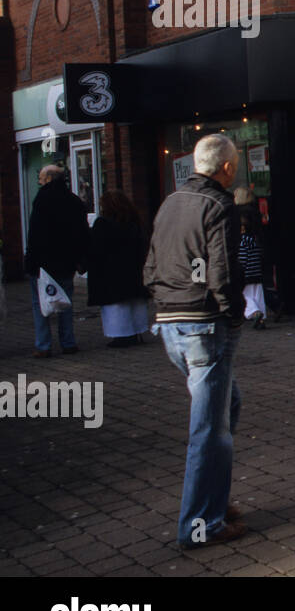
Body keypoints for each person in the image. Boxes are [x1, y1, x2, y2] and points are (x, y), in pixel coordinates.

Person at [144, 134, 247, 548]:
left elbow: (151, 263)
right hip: (204, 323)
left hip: (171, 320)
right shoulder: (220, 205)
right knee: (209, 429)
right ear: (226, 168)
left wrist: (163, 300)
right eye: (235, 164)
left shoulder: (170, 203)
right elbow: (223, 270)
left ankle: (213, 502)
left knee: (227, 407)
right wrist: (233, 313)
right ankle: (200, 525)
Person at [24, 164, 90, 358]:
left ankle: (43, 346)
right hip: (66, 262)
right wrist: (80, 259)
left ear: (50, 179)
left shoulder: (41, 200)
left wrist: (31, 261)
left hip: (43, 263)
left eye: (42, 178)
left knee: (40, 305)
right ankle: (68, 342)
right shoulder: (73, 201)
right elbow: (82, 233)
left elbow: (34, 234)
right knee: (65, 302)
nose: (39, 181)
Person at [87, 190, 150, 347]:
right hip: (133, 270)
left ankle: (121, 335)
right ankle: (135, 332)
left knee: (116, 308)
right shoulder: (134, 222)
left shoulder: (103, 224)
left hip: (111, 273)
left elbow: (95, 249)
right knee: (135, 304)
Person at [238, 210, 268, 330]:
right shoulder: (254, 240)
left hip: (247, 274)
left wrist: (239, 271)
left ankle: (255, 313)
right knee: (257, 296)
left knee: (244, 296)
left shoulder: (241, 242)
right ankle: (261, 319)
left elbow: (242, 258)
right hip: (256, 272)